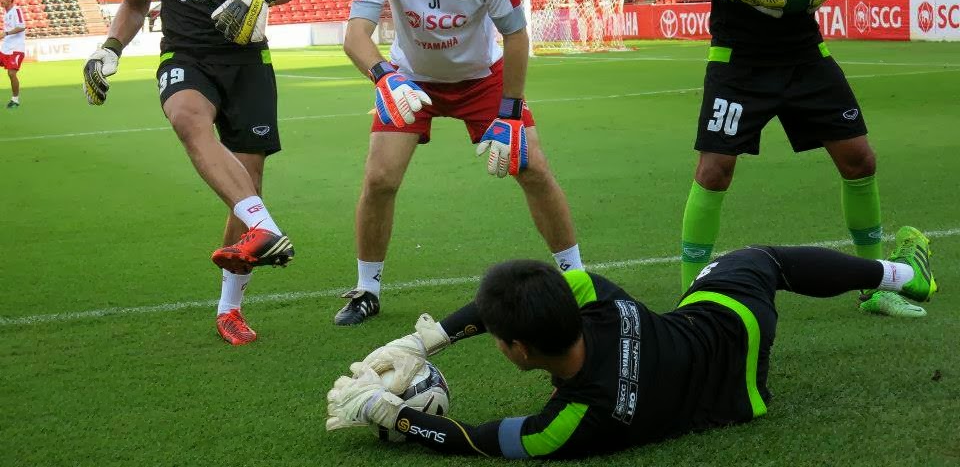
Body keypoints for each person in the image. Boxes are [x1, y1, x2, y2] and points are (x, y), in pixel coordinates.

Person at [326, 226, 937, 458]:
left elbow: (477, 442)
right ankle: (903, 277)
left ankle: (900, 279)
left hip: (736, 402)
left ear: (516, 351)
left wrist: (396, 414)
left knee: (748, 264)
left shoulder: (570, 421)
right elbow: (545, 287)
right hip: (731, 326)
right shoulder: (602, 301)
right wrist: (424, 344)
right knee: (764, 257)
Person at [664, 0, 910, 316]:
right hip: (739, 59)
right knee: (714, 171)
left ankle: (874, 289)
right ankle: (691, 303)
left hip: (804, 54)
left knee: (859, 159)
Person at [80, 0, 309, 345]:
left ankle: (230, 306)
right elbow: (136, 5)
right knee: (186, 116)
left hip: (248, 59)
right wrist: (108, 48)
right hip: (186, 54)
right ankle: (266, 227)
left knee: (245, 183)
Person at [335, 0, 582, 325]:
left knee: (533, 168)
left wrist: (509, 109)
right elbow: (355, 35)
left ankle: (576, 277)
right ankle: (366, 289)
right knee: (379, 179)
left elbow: (515, 33)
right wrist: (384, 77)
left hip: (480, 79)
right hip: (410, 79)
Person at [0, 0, 26, 109]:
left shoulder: (16, 10)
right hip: (5, 47)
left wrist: (6, 33)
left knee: (11, 73)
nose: (1, 1)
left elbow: (21, 27)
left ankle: (15, 100)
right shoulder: (5, 14)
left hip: (16, 49)